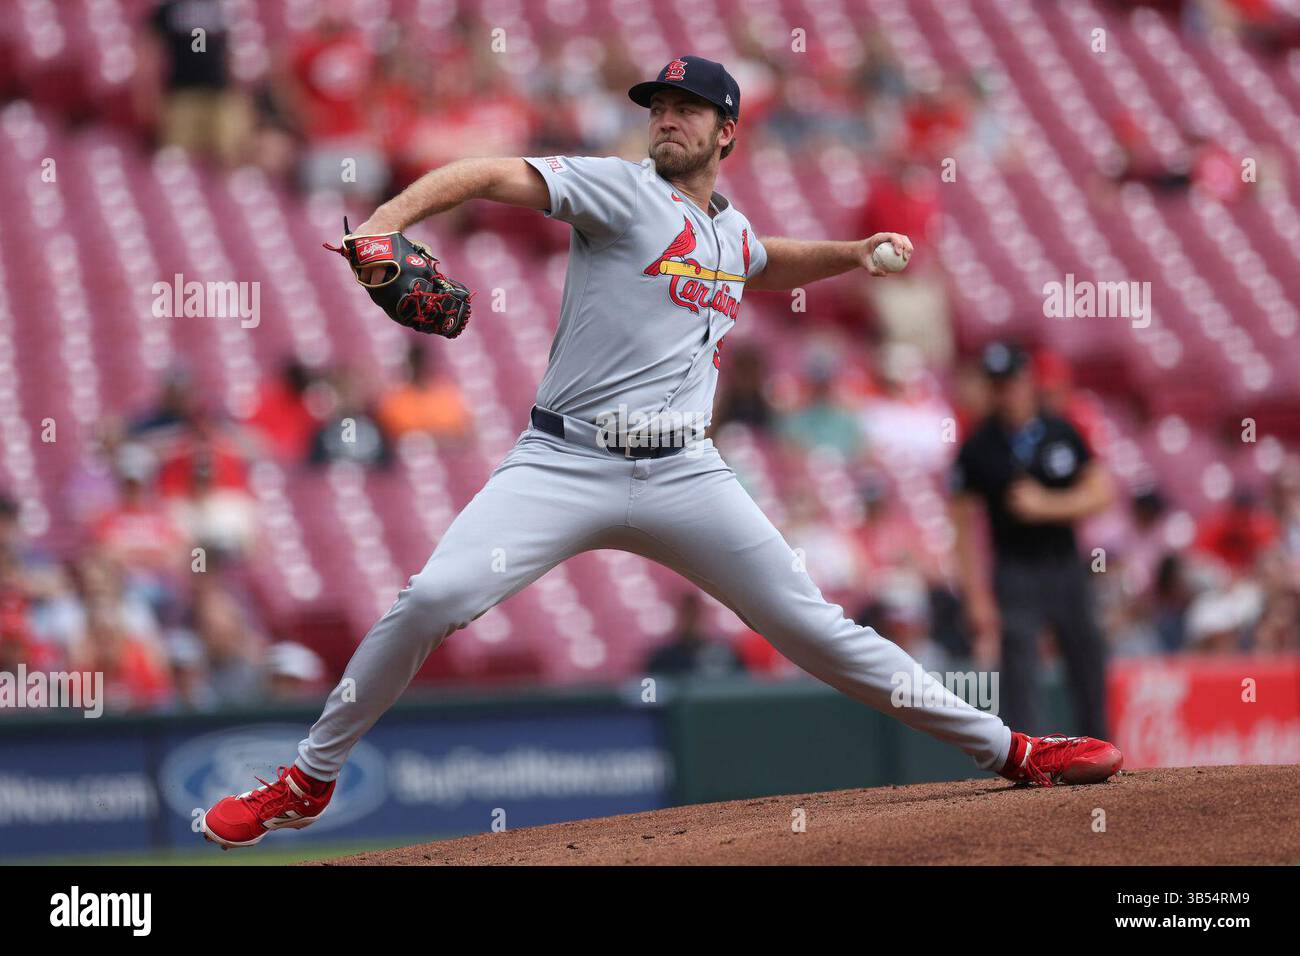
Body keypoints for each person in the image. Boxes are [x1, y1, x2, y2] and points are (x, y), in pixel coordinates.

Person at [201, 56, 1123, 850]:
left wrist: (851, 251)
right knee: (435, 597)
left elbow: (765, 260)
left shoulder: (727, 227)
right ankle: (307, 781)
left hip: (684, 470)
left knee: (817, 630)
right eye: (657, 107)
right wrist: (382, 225)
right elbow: (486, 172)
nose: (666, 119)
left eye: (686, 109)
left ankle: (1015, 751)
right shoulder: (619, 187)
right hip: (564, 461)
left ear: (728, 130)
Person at [949, 342, 1115, 739]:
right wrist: (976, 596)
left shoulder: (1061, 431)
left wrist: (1048, 505)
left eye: (1010, 382)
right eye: (996, 384)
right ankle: (1030, 759)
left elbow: (1102, 492)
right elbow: (962, 525)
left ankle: (1101, 749)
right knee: (1020, 669)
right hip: (1015, 570)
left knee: (1087, 658)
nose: (1004, 392)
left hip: (1064, 565)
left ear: (1027, 382)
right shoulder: (978, 446)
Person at [643, 593, 742, 678]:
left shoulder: (723, 653)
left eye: (696, 613)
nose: (693, 620)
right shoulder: (664, 657)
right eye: (688, 614)